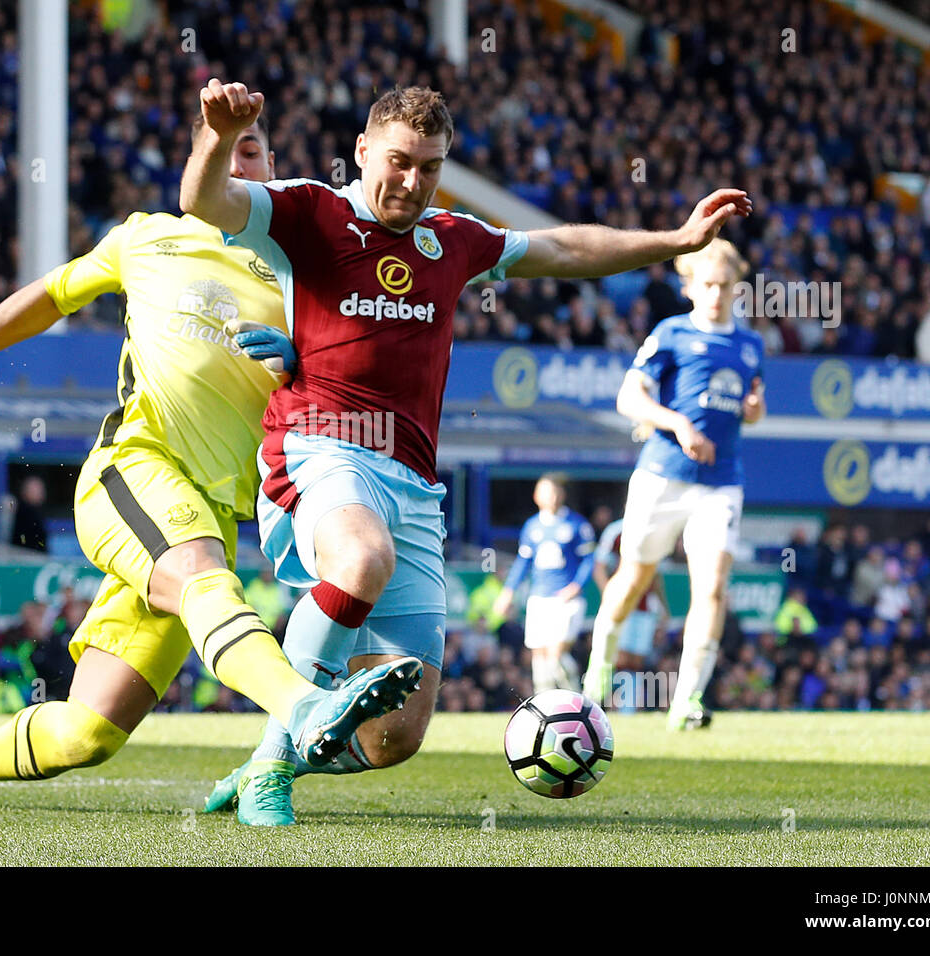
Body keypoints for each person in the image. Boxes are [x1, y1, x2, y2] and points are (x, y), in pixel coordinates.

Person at [181, 79, 749, 823]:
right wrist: (219, 138)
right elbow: (204, 201)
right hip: (318, 446)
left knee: (396, 735)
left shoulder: (450, 239)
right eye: (398, 161)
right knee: (361, 559)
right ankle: (267, 768)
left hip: (413, 483)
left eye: (430, 167)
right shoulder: (309, 211)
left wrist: (673, 242)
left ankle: (275, 756)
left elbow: (563, 247)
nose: (412, 181)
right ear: (361, 152)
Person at [0, 108, 421, 809]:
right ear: (200, 166)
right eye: (227, 153)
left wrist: (303, 357)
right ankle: (305, 711)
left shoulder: (296, 269)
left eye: (254, 153)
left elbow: (357, 365)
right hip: (134, 467)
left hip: (211, 512)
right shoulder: (147, 237)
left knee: (86, 734)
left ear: (273, 170)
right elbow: (53, 294)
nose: (242, 166)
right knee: (205, 581)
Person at [584, 239, 766, 731]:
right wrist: (678, 424)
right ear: (689, 286)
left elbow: (753, 404)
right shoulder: (672, 333)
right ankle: (597, 675)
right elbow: (629, 398)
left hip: (722, 481)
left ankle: (687, 700)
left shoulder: (750, 344)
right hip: (662, 475)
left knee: (712, 590)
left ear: (737, 287)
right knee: (634, 578)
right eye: (707, 284)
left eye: (725, 285)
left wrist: (753, 411)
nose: (715, 293)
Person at [490, 474, 595, 693]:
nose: (552, 497)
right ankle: (544, 700)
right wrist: (508, 592)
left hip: (566, 598)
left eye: (556, 492)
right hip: (539, 596)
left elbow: (589, 560)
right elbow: (523, 562)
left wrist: (576, 586)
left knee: (556, 654)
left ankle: (576, 699)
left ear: (562, 495)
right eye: (547, 492)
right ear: (537, 496)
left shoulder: (577, 525)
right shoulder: (532, 526)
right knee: (539, 655)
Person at [583, 516, 667, 711]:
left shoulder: (655, 529)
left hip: (644, 610)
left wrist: (663, 608)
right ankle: (598, 704)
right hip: (621, 606)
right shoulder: (616, 531)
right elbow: (600, 567)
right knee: (617, 657)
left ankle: (628, 709)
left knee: (636, 660)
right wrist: (610, 597)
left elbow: (656, 576)